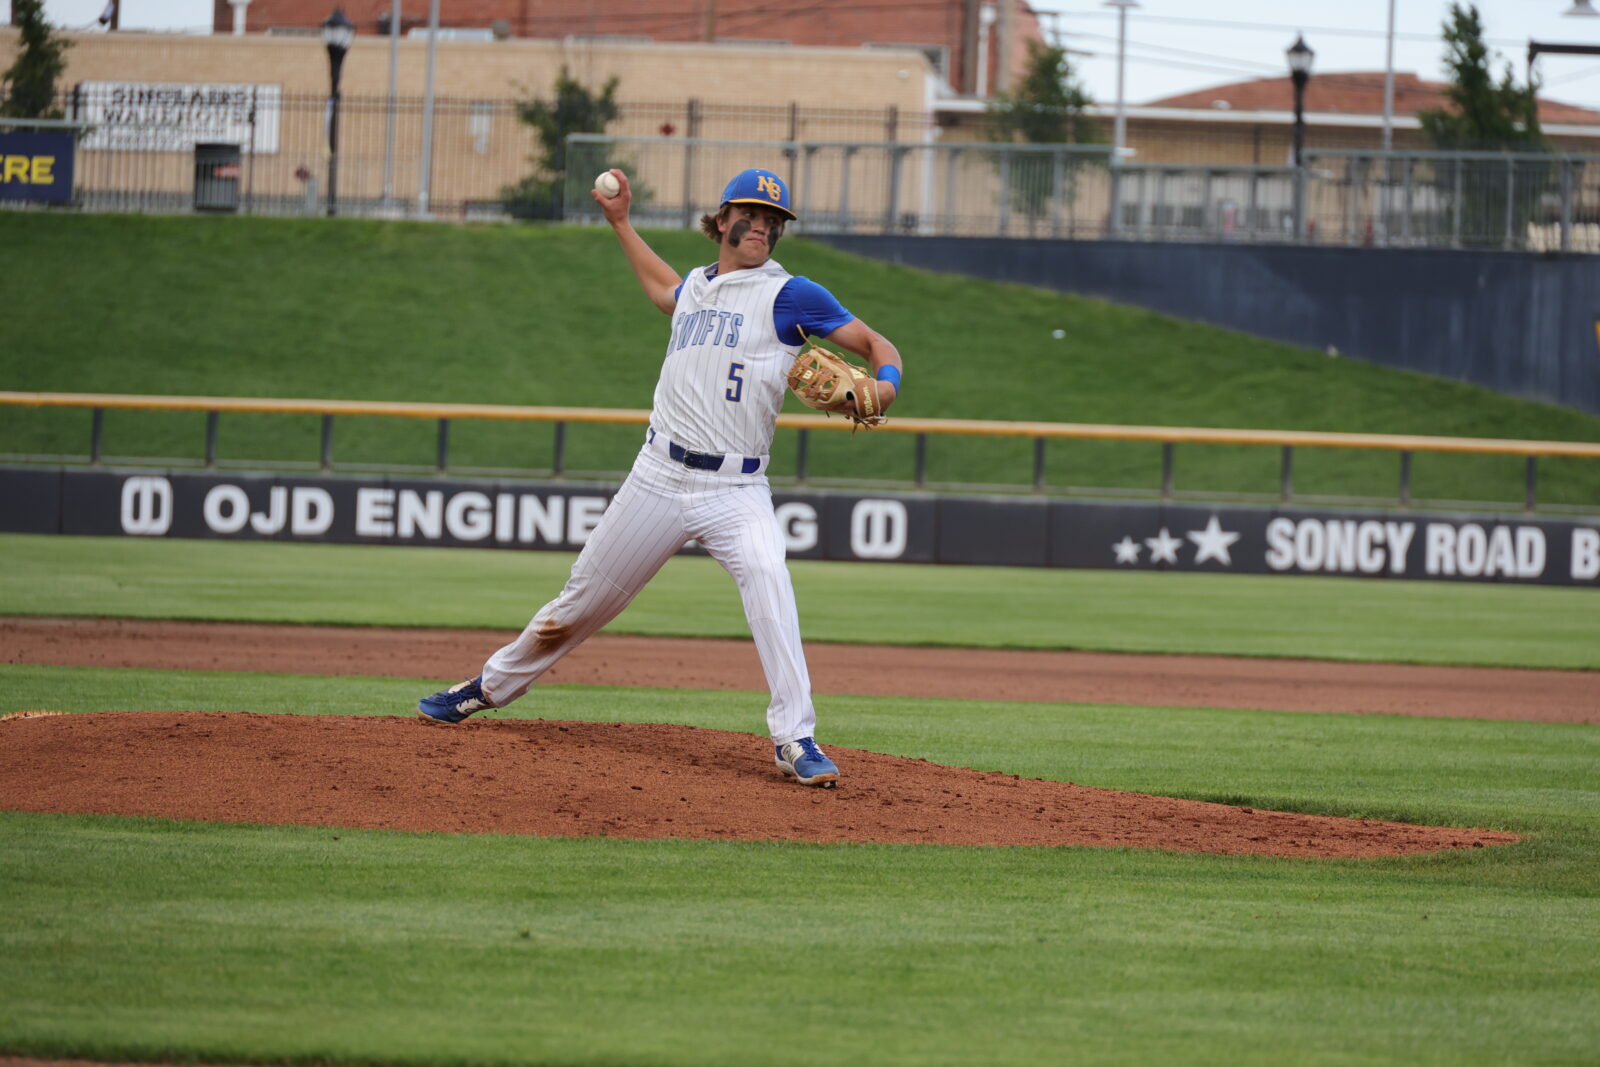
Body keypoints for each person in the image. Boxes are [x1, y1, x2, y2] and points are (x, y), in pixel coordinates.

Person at [417, 167, 903, 788]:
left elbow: (876, 344)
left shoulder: (791, 295)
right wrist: (621, 224)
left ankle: (795, 738)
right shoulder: (697, 288)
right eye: (751, 214)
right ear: (723, 220)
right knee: (577, 604)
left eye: (774, 220)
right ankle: (488, 687)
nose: (764, 227)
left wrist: (883, 388)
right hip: (657, 477)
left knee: (770, 584)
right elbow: (661, 289)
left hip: (736, 489)